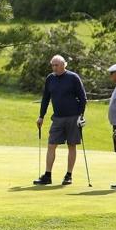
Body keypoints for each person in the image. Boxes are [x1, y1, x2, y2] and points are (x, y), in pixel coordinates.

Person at [34, 55, 88, 186]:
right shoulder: (50, 79)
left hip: (73, 117)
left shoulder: (73, 77)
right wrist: (41, 116)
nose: (54, 68)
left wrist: (81, 116)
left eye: (56, 65)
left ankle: (68, 175)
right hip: (57, 117)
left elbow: (83, 98)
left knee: (71, 145)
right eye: (52, 65)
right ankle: (47, 175)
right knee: (51, 145)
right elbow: (46, 98)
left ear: (64, 65)